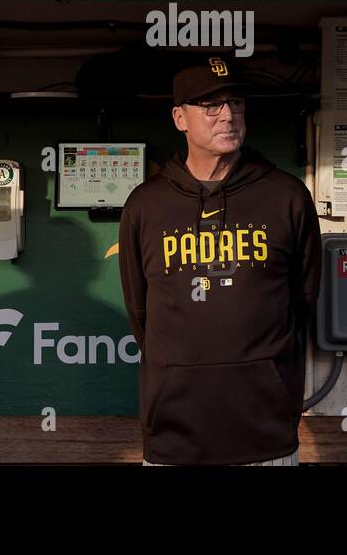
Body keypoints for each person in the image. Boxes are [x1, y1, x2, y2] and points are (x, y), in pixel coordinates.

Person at [118, 59, 321, 466]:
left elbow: (304, 300)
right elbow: (141, 314)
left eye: (235, 103)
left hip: (266, 433)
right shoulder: (146, 205)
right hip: (176, 435)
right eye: (210, 106)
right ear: (180, 118)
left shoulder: (286, 196)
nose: (227, 115)